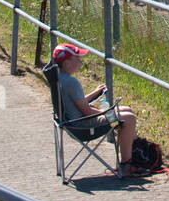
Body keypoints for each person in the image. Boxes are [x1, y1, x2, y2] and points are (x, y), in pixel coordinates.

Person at [50, 42, 141, 176]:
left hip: (70, 123)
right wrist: (108, 114)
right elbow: (87, 111)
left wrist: (94, 93)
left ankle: (134, 154)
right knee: (128, 118)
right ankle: (127, 165)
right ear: (67, 63)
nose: (81, 62)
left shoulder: (59, 79)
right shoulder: (72, 82)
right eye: (77, 59)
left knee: (126, 110)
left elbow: (76, 103)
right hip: (82, 126)